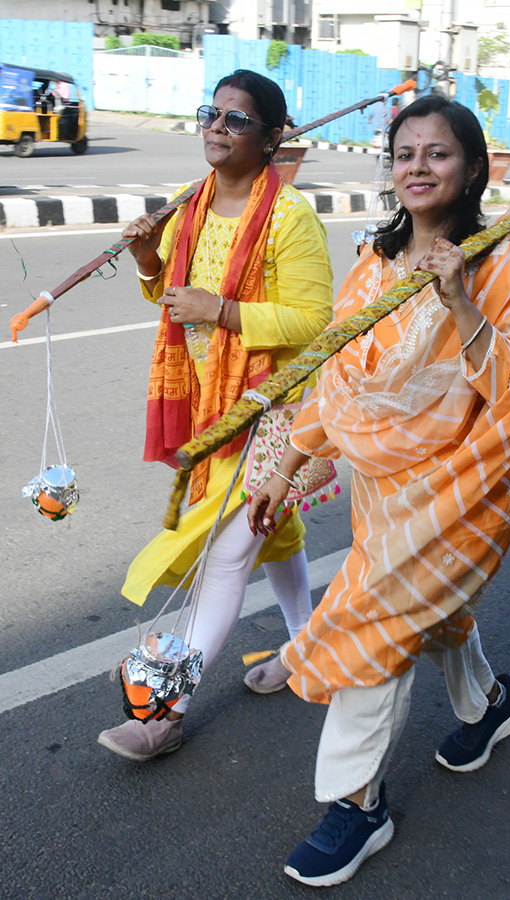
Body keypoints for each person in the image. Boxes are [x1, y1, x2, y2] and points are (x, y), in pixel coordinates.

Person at [248, 93, 510, 886]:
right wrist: (285, 469)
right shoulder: (371, 271)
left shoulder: (501, 263)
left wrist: (460, 299)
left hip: (468, 487)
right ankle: (489, 703)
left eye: (438, 153)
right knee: (431, 608)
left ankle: (356, 805)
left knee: (378, 625)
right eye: (405, 153)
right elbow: (334, 389)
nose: (418, 166)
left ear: (474, 167)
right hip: (386, 491)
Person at [97, 69, 333, 762]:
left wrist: (223, 311)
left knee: (228, 556)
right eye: (212, 114)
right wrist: (147, 263)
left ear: (272, 137)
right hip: (212, 399)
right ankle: (308, 647)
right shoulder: (191, 208)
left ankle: (166, 711)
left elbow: (318, 321)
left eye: (237, 120)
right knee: (274, 534)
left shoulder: (291, 219)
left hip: (278, 407)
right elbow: (172, 300)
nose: (218, 128)